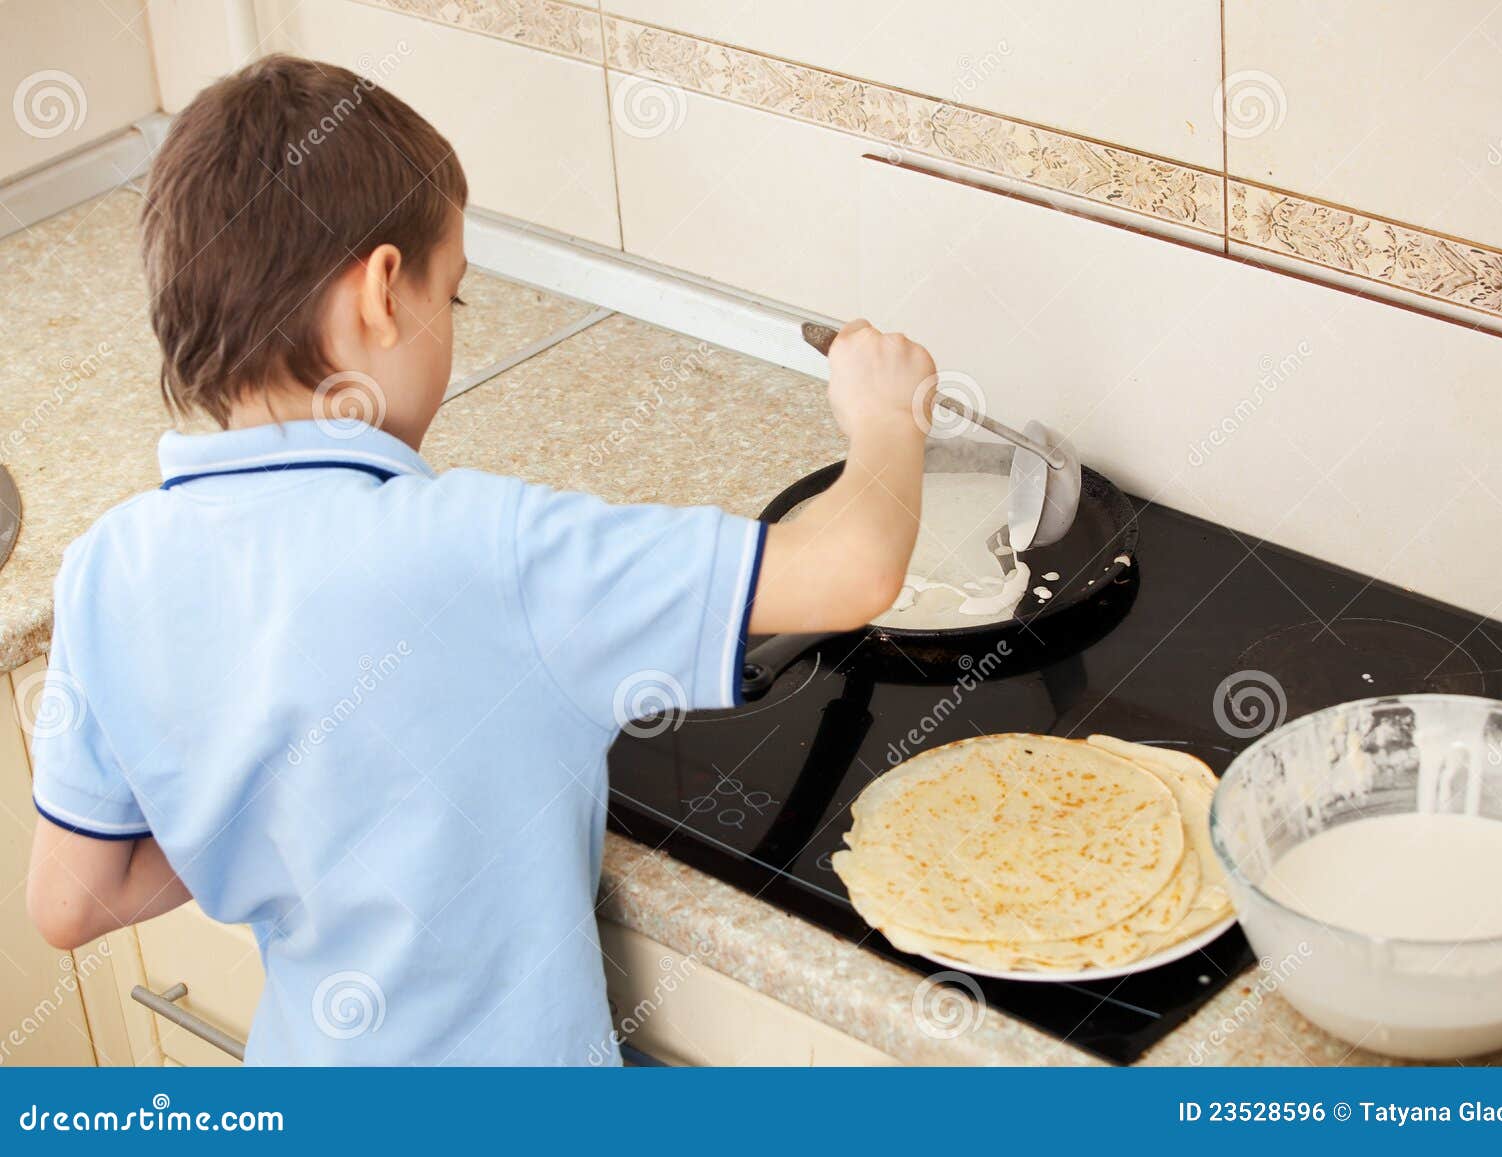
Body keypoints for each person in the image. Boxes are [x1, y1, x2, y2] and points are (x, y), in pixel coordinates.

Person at [24, 55, 934, 1064]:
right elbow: (852, 567)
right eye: (451, 296)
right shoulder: (485, 552)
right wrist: (886, 416)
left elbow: (71, 900)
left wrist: (276, 802)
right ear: (380, 291)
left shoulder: (107, 567)